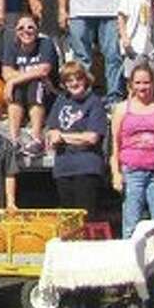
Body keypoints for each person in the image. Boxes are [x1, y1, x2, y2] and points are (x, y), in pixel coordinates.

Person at [111, 64, 154, 241]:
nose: (142, 87)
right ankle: (131, 258)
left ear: (153, 83)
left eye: (146, 82)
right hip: (132, 171)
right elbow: (115, 144)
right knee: (132, 222)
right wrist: (116, 173)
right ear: (131, 84)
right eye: (137, 83)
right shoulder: (122, 108)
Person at [45, 61, 108, 219]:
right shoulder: (61, 100)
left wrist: (63, 136)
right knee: (68, 220)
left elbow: (92, 137)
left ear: (85, 79)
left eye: (78, 79)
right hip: (63, 168)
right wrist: (54, 135)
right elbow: (51, 130)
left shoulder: (94, 102)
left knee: (85, 218)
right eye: (69, 80)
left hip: (86, 167)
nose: (74, 83)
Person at [0, 13, 59, 153]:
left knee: (36, 83)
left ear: (37, 30)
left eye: (30, 27)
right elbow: (6, 73)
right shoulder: (12, 46)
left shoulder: (45, 44)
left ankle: (36, 138)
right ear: (16, 32)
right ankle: (14, 140)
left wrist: (13, 80)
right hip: (21, 96)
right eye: (21, 28)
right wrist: (18, 79)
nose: (25, 31)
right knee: (20, 86)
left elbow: (44, 70)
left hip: (48, 95)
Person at [117, 0, 154, 80]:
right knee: (132, 77)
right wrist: (124, 37)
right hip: (133, 45)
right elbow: (121, 17)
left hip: (147, 45)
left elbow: (149, 21)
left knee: (149, 76)